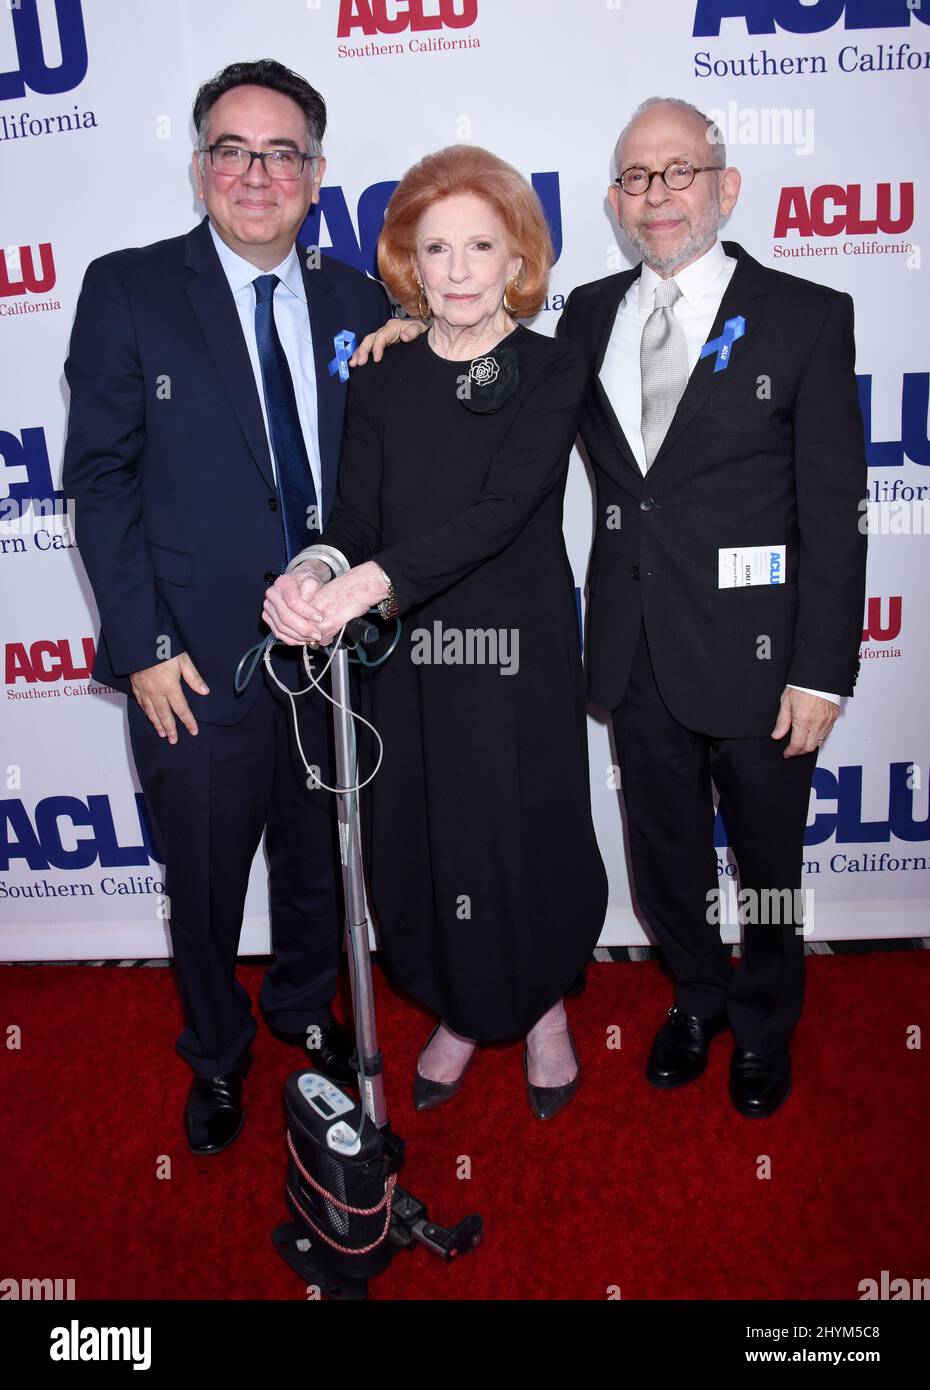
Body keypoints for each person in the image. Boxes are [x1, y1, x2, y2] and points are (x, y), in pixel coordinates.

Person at [355, 99, 868, 1119]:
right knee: (665, 852)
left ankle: (765, 1023)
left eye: (681, 173)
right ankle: (694, 998)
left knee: (766, 862)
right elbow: (480, 344)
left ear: (726, 187)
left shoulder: (810, 314)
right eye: (639, 178)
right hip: (630, 650)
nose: (660, 194)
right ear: (614, 203)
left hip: (763, 658)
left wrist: (822, 667)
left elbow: (836, 509)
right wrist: (406, 320)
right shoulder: (586, 318)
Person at [62, 60, 390, 1154]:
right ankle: (215, 1054)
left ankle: (301, 1009)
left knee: (319, 860)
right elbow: (100, 480)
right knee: (201, 884)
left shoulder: (358, 300)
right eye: (234, 151)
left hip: (334, 660)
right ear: (201, 165)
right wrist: (142, 644)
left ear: (316, 172)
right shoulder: (129, 287)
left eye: (282, 152)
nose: (258, 173)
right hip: (192, 666)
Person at [263, 145, 609, 1120]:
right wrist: (316, 569)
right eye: (436, 248)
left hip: (515, 652)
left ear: (516, 259)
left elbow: (502, 508)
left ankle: (540, 1006)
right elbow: (356, 520)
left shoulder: (552, 367)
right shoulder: (380, 374)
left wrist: (368, 580)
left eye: (481, 246)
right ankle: (462, 1010)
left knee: (522, 834)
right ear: (410, 261)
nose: (458, 269)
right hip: (405, 659)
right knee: (429, 841)